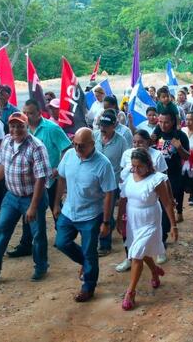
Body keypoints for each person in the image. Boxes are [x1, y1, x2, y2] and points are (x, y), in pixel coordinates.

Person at [0, 112, 50, 283]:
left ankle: (41, 266)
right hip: (12, 196)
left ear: (27, 126)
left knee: (37, 234)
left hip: (32, 197)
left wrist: (33, 207)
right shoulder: (7, 141)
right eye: (13, 126)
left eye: (20, 126)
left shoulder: (36, 147)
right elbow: (4, 167)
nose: (16, 129)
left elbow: (41, 179)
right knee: (1, 228)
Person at [53, 128, 117, 302]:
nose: (77, 149)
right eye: (75, 144)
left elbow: (109, 193)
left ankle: (88, 287)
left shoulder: (103, 164)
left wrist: (105, 221)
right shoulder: (69, 156)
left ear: (92, 144)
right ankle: (87, 264)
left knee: (90, 252)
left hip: (91, 215)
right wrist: (57, 203)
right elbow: (61, 178)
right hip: (69, 211)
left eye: (81, 146)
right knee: (61, 243)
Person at [8, 100, 72, 259]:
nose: (27, 116)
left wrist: (59, 167)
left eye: (30, 113)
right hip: (31, 180)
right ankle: (25, 244)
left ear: (39, 113)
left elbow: (66, 148)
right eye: (25, 112)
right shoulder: (23, 129)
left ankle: (64, 237)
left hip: (50, 178)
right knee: (29, 211)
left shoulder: (52, 128)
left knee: (56, 208)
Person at [117, 149, 179, 311]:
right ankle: (154, 271)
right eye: (133, 166)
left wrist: (173, 225)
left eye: (140, 167)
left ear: (148, 165)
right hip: (133, 218)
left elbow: (166, 203)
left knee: (136, 254)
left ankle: (130, 292)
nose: (136, 170)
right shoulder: (128, 176)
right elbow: (123, 198)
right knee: (138, 250)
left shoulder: (156, 180)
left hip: (150, 218)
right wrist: (119, 219)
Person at [115, 130, 169, 272]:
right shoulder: (127, 154)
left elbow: (164, 179)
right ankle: (131, 258)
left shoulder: (157, 156)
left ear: (148, 142)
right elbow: (123, 176)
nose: (137, 145)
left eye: (140, 142)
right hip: (131, 201)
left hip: (149, 203)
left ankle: (130, 292)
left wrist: (169, 198)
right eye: (134, 142)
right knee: (131, 236)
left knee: (145, 242)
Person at [152, 110, 190, 263]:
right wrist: (149, 141)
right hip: (154, 176)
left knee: (166, 205)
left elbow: (187, 157)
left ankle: (162, 240)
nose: (162, 125)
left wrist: (179, 148)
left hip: (172, 177)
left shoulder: (180, 136)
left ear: (172, 122)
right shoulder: (155, 135)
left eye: (166, 122)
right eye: (160, 122)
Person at [93, 110, 128, 256]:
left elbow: (126, 162)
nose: (103, 128)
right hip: (94, 182)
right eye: (101, 124)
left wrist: (123, 180)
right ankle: (109, 226)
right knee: (97, 211)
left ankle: (105, 245)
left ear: (114, 125)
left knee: (105, 211)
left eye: (106, 125)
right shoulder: (94, 136)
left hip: (111, 184)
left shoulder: (121, 141)